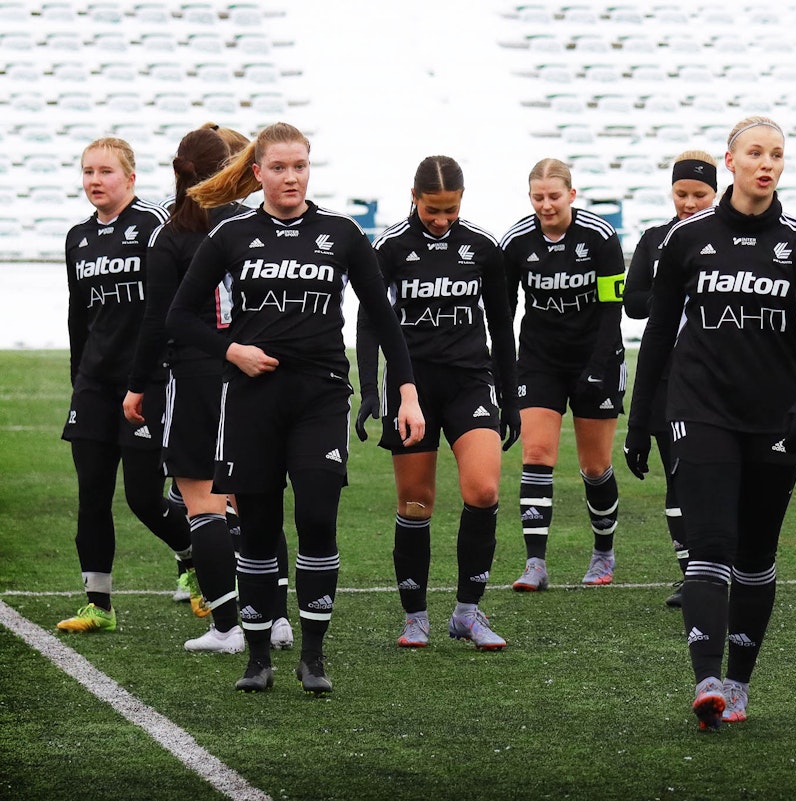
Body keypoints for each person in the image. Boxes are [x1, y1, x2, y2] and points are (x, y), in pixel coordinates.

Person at [167, 122, 424, 694]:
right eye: (278, 168)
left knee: (314, 516)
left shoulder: (341, 233)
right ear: (257, 173)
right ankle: (257, 658)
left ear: (310, 169)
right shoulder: (230, 236)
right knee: (257, 530)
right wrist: (233, 349)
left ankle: (312, 655)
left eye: (299, 167)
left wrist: (405, 391)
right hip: (252, 399)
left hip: (321, 396)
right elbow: (180, 316)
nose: (290, 177)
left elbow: (384, 317)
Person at [624, 116, 796, 730]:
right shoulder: (687, 240)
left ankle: (739, 683)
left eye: (776, 155)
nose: (766, 164)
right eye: (754, 153)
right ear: (730, 162)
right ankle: (707, 680)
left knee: (756, 556)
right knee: (710, 547)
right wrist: (641, 421)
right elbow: (658, 333)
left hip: (773, 415)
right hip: (699, 409)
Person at [123, 125, 293, 654]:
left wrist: (136, 388)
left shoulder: (170, 234)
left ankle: (227, 627)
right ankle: (278, 618)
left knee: (203, 504)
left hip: (195, 374)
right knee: (255, 498)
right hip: (252, 371)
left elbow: (158, 323)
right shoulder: (252, 224)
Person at [355, 155, 520, 651]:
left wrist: (509, 398)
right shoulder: (388, 248)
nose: (442, 218)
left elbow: (502, 327)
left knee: (484, 490)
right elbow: (369, 324)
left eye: (450, 209)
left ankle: (468, 613)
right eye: (433, 209)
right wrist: (368, 389)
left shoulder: (483, 248)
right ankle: (416, 617)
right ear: (414, 196)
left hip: (471, 381)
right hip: (412, 388)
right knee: (416, 503)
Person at [57, 137, 198, 634]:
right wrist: (79, 379)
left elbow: (171, 308)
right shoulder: (77, 238)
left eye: (106, 172)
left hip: (149, 382)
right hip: (94, 387)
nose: (95, 180)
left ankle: (192, 558)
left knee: (142, 498)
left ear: (131, 178)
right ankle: (99, 604)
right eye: (88, 172)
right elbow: (79, 315)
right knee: (92, 495)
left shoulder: (153, 227)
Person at [500, 158, 626, 590]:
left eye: (554, 196)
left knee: (595, 466)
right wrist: (506, 368)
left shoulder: (601, 236)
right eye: (538, 197)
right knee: (536, 454)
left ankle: (603, 553)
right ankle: (535, 564)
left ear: (571, 195)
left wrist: (598, 365)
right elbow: (505, 311)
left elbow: (613, 307)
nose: (546, 205)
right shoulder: (517, 242)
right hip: (540, 360)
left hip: (596, 356)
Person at [623, 149, 719, 608]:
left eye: (699, 194)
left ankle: (725, 566)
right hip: (666, 374)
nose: (689, 202)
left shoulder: (729, 237)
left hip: (719, 373)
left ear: (716, 193)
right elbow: (633, 301)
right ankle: (692, 573)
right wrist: (672, 288)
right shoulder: (654, 239)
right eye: (682, 193)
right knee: (677, 477)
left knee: (715, 475)